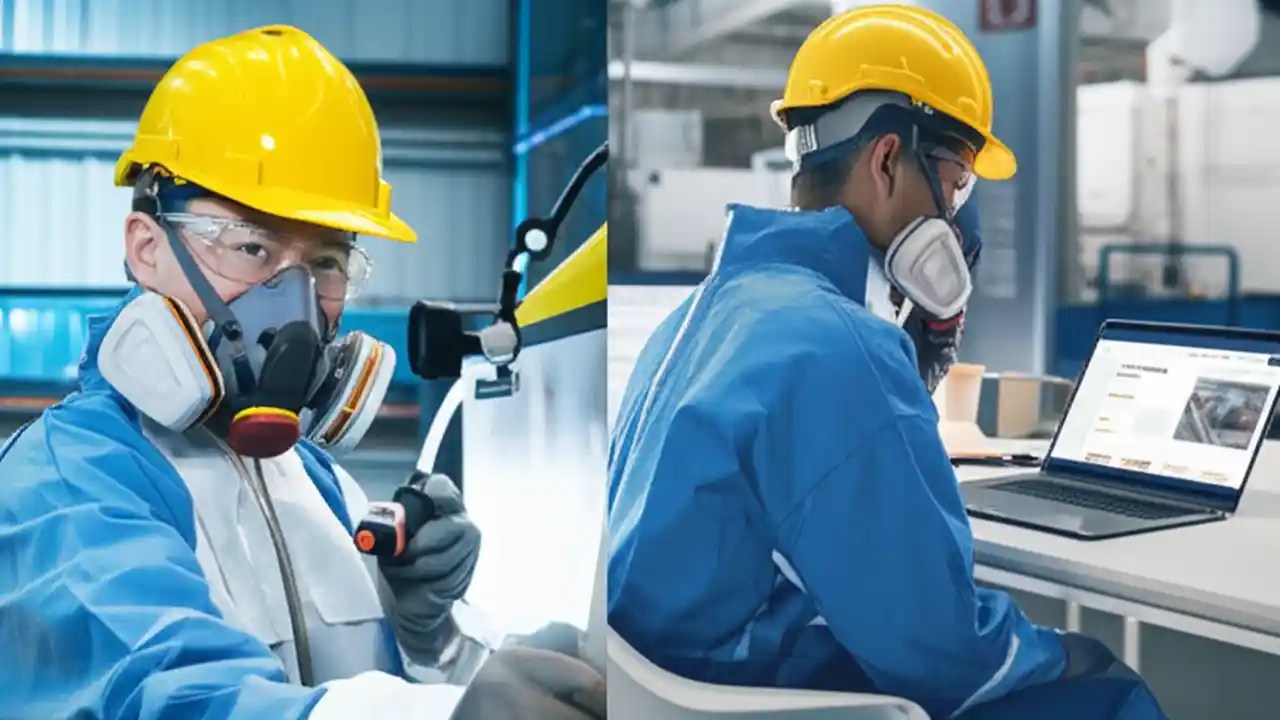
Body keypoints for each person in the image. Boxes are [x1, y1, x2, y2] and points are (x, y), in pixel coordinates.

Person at [0, 25, 603, 720]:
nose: (293, 308)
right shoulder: (65, 484)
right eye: (251, 246)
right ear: (145, 247)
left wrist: (433, 640)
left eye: (325, 262)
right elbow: (175, 695)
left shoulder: (321, 484)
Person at [607, 6, 1166, 720]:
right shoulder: (839, 346)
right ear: (885, 160)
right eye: (957, 182)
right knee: (1110, 693)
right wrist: (1071, 656)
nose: (956, 216)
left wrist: (903, 375)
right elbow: (943, 653)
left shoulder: (692, 322)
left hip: (675, 687)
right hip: (757, 691)